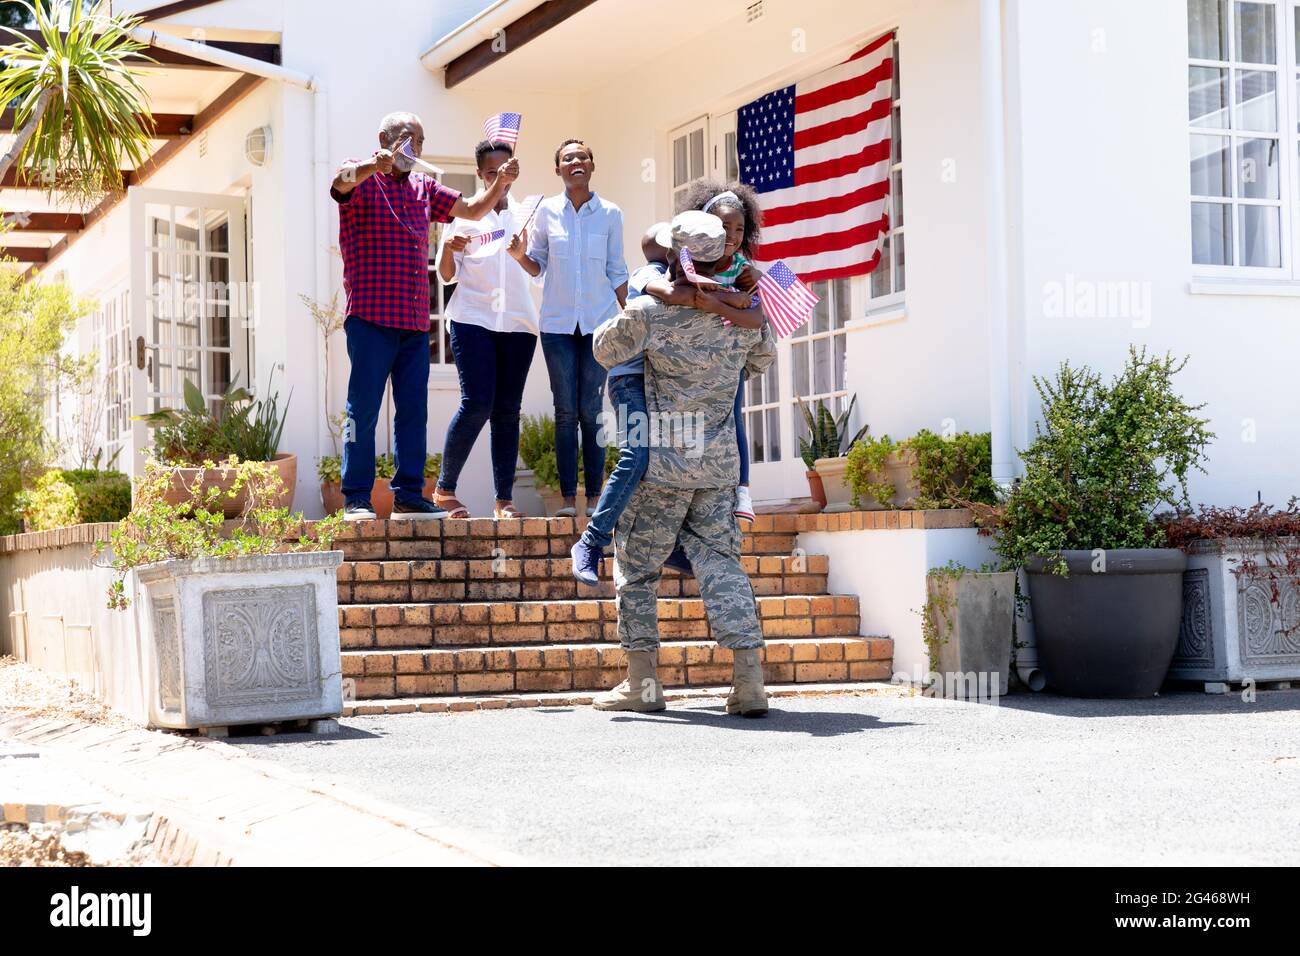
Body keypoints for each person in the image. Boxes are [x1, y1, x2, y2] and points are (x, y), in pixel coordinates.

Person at [589, 210, 776, 716]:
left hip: (663, 468)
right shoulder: (744, 317)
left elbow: (604, 349)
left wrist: (647, 292)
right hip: (717, 466)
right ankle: (749, 681)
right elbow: (760, 362)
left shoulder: (654, 312)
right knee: (721, 565)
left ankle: (643, 686)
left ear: (677, 256)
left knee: (638, 568)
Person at [330, 111, 520, 521]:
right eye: (404, 138)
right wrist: (371, 164)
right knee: (362, 408)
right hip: (370, 316)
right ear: (383, 137)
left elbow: (470, 209)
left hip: (415, 321)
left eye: (419, 140)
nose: (412, 147)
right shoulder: (362, 180)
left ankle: (409, 495)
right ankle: (357, 498)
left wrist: (500, 183)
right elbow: (340, 181)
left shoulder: (424, 187)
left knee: (414, 410)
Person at [568, 220, 760, 586]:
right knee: (637, 454)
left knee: (678, 457)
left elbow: (753, 317)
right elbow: (666, 293)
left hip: (666, 381)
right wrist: (716, 296)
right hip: (632, 377)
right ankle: (590, 542)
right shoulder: (650, 274)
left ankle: (667, 545)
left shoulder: (707, 281)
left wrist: (731, 294)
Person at [507, 139, 628, 518]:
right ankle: (567, 501)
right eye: (567, 158)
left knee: (591, 409)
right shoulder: (545, 214)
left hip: (600, 323)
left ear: (592, 166)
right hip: (558, 325)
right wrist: (519, 255)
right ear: (558, 169)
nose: (575, 161)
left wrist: (633, 321)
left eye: (582, 157)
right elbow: (538, 266)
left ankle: (594, 498)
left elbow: (617, 270)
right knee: (565, 411)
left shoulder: (610, 214)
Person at [432, 139, 539, 519]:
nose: (500, 179)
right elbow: (447, 276)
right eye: (492, 173)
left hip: (519, 324)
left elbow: (538, 270)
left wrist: (522, 253)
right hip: (472, 319)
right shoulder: (463, 215)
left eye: (506, 172)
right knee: (477, 403)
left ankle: (503, 501)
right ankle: (445, 490)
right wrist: (447, 250)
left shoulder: (529, 214)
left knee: (508, 411)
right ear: (480, 174)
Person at [648, 181, 766, 524]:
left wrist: (718, 302)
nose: (732, 234)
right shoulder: (687, 260)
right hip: (687, 360)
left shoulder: (743, 269)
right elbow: (678, 293)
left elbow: (755, 317)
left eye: (740, 228)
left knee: (733, 416)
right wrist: (728, 300)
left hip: (727, 361)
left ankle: (742, 489)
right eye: (724, 226)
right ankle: (685, 490)